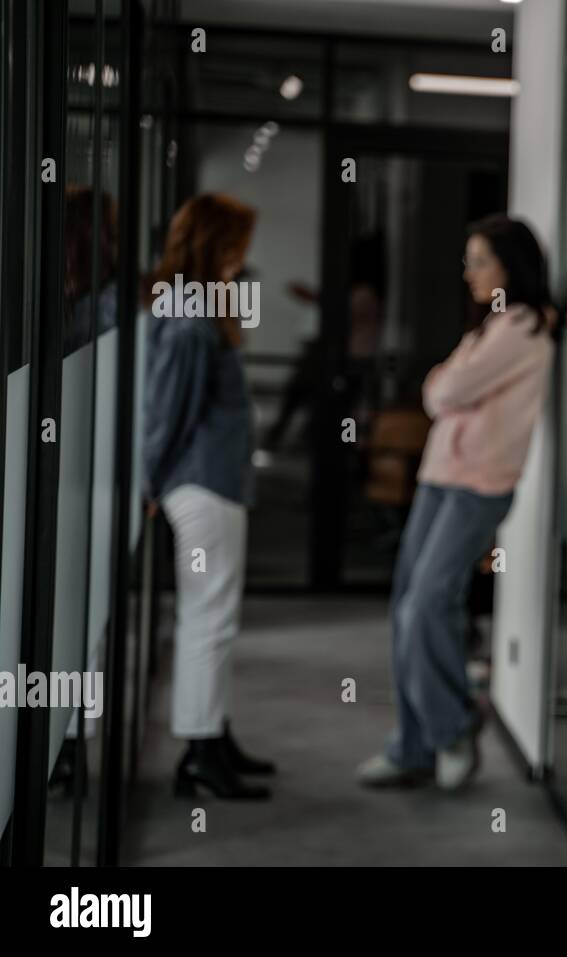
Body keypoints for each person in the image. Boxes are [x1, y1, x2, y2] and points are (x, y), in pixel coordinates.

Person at [357, 214, 556, 790]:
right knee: (406, 608)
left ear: (509, 267)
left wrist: (446, 383)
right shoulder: (489, 327)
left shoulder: (522, 326)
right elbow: (439, 392)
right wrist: (446, 383)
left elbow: (445, 390)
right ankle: (412, 746)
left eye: (481, 260)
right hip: (440, 476)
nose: (469, 271)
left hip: (478, 486)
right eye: (468, 260)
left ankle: (451, 729)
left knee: (427, 605)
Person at [142, 194, 274, 801]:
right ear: (218, 243)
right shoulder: (192, 313)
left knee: (213, 618)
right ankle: (199, 752)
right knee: (208, 620)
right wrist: (150, 481)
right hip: (201, 485)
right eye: (238, 241)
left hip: (213, 482)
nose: (244, 254)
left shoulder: (200, 303)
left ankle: (213, 736)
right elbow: (168, 409)